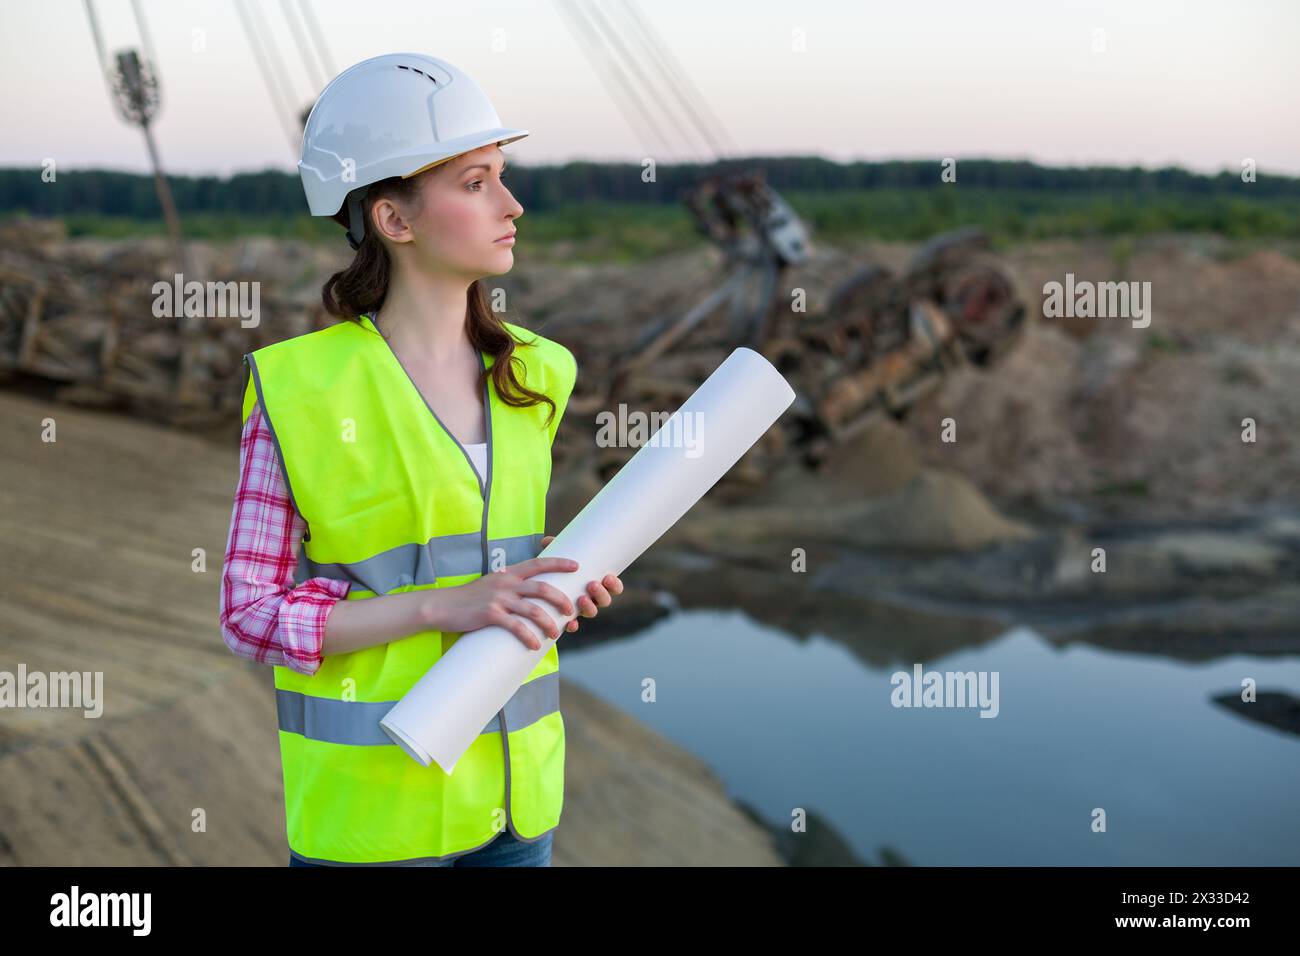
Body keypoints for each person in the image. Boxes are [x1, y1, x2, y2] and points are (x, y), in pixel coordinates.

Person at [220, 53, 622, 867]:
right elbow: (250, 613)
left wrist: (555, 580)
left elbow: (486, 554)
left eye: (501, 176)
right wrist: (447, 606)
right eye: (475, 183)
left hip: (516, 806)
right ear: (394, 221)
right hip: (375, 820)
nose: (512, 205)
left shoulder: (538, 371)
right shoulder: (297, 390)